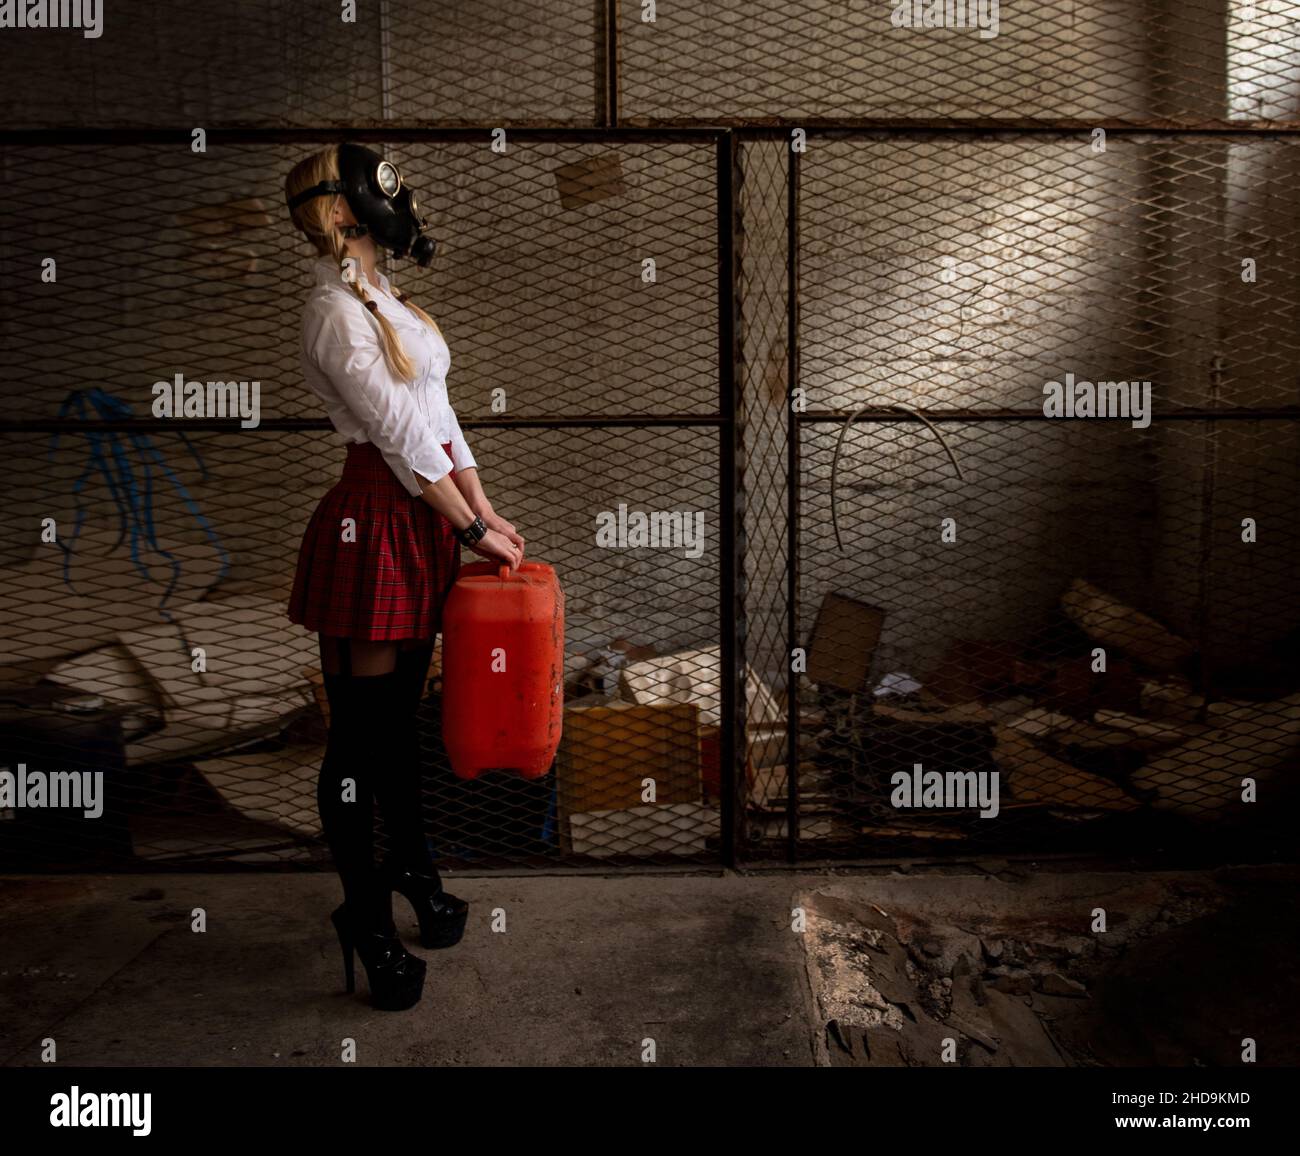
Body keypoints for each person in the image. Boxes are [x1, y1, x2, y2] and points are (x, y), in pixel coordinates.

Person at [283, 143, 524, 1011]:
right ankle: (366, 917)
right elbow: (395, 436)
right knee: (358, 741)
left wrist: (483, 515)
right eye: (376, 191)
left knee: (399, 729)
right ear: (341, 214)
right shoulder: (333, 313)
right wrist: (467, 524)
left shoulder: (389, 302)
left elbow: (441, 418)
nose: (400, 203)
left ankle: (415, 871)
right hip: (374, 523)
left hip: (420, 519)